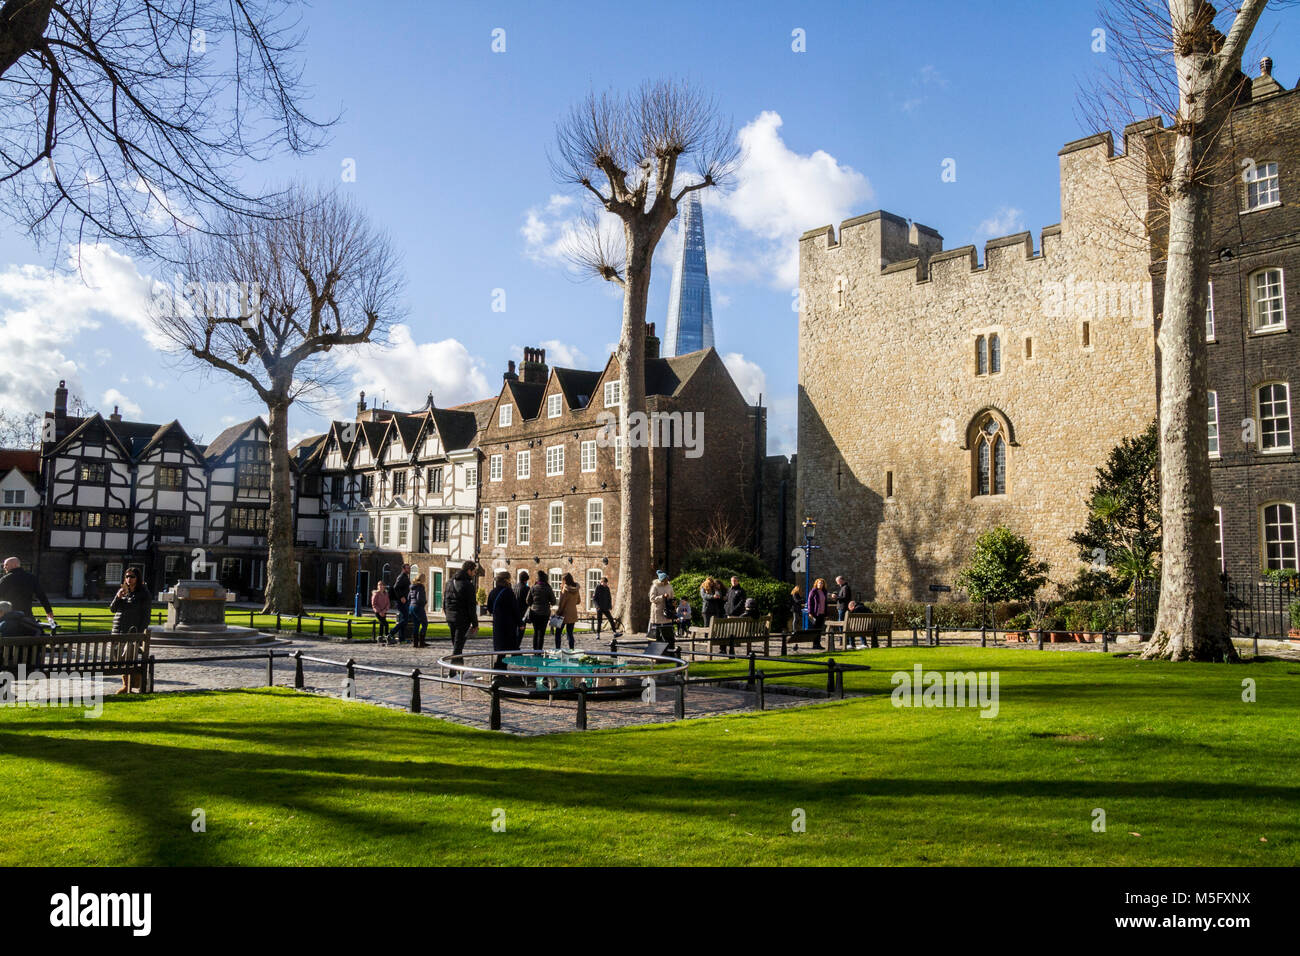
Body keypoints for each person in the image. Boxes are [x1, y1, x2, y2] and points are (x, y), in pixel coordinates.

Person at [109, 568, 152, 693]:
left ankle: (132, 683)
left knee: (129, 658)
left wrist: (139, 633)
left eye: (132, 576)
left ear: (137, 578)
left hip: (132, 632)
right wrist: (118, 597)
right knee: (119, 660)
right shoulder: (123, 591)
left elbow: (146, 617)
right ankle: (127, 684)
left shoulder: (143, 594)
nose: (129, 579)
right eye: (127, 576)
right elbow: (112, 609)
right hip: (117, 629)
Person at [0, 557, 55, 628]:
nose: (4, 567)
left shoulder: (6, 579)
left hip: (10, 616)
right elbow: (41, 595)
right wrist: (49, 611)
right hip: (27, 615)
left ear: (14, 565)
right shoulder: (31, 578)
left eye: (6, 565)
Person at [443, 560, 479, 656]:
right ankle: (453, 670)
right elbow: (471, 607)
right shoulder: (468, 585)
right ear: (469, 571)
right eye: (474, 571)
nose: (474, 574)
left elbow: (445, 601)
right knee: (458, 647)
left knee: (457, 646)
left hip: (451, 618)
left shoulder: (449, 582)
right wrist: (475, 624)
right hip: (462, 619)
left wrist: (448, 615)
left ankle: (460, 670)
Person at [487, 569, 523, 663]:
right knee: (510, 647)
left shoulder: (492, 592)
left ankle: (500, 669)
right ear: (506, 580)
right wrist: (520, 623)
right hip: (508, 624)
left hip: (498, 623)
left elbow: (490, 608)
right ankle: (502, 669)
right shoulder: (508, 592)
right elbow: (515, 609)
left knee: (501, 649)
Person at [525, 570, 556, 652]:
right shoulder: (548, 588)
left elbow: (528, 601)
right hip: (544, 613)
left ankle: (535, 650)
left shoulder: (533, 588)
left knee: (535, 631)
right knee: (541, 633)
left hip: (534, 612)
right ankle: (539, 651)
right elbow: (553, 602)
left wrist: (533, 604)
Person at [554, 573, 581, 650]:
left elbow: (562, 603)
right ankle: (571, 650)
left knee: (558, 633)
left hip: (563, 614)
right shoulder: (576, 588)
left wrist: (557, 612)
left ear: (564, 580)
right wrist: (571, 603)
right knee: (570, 634)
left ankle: (558, 649)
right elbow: (578, 601)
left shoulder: (565, 589)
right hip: (573, 613)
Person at [648, 570, 675, 644]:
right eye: (665, 579)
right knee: (656, 631)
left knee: (667, 632)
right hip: (657, 611)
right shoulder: (655, 586)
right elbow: (652, 599)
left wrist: (672, 601)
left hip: (667, 611)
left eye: (667, 579)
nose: (667, 580)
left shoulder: (669, 586)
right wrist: (662, 596)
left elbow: (673, 596)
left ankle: (669, 647)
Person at [390, 563, 412, 643]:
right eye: (408, 568)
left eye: (409, 568)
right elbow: (395, 587)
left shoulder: (405, 577)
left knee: (404, 619)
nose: (409, 570)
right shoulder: (402, 577)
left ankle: (402, 638)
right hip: (401, 602)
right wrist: (401, 597)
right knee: (405, 619)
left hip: (405, 601)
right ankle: (392, 632)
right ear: (403, 569)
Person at [807, 578, 828, 650]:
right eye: (819, 583)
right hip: (816, 613)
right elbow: (810, 603)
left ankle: (818, 644)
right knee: (815, 629)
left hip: (822, 613)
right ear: (816, 583)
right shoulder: (813, 591)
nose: (821, 584)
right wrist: (810, 612)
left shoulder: (823, 592)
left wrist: (826, 613)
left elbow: (825, 603)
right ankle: (814, 645)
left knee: (819, 630)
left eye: (822, 583)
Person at [409, 572, 429, 647]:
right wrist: (424, 602)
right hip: (418, 606)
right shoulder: (420, 586)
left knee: (416, 624)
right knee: (425, 624)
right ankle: (422, 642)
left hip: (411, 606)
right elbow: (419, 597)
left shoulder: (412, 586)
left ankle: (415, 643)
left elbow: (409, 597)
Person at [513, 570, 531, 647]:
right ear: (526, 580)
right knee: (520, 632)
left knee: (514, 632)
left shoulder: (514, 587)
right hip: (523, 613)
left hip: (514, 612)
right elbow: (528, 601)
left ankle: (515, 647)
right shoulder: (526, 588)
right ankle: (516, 648)